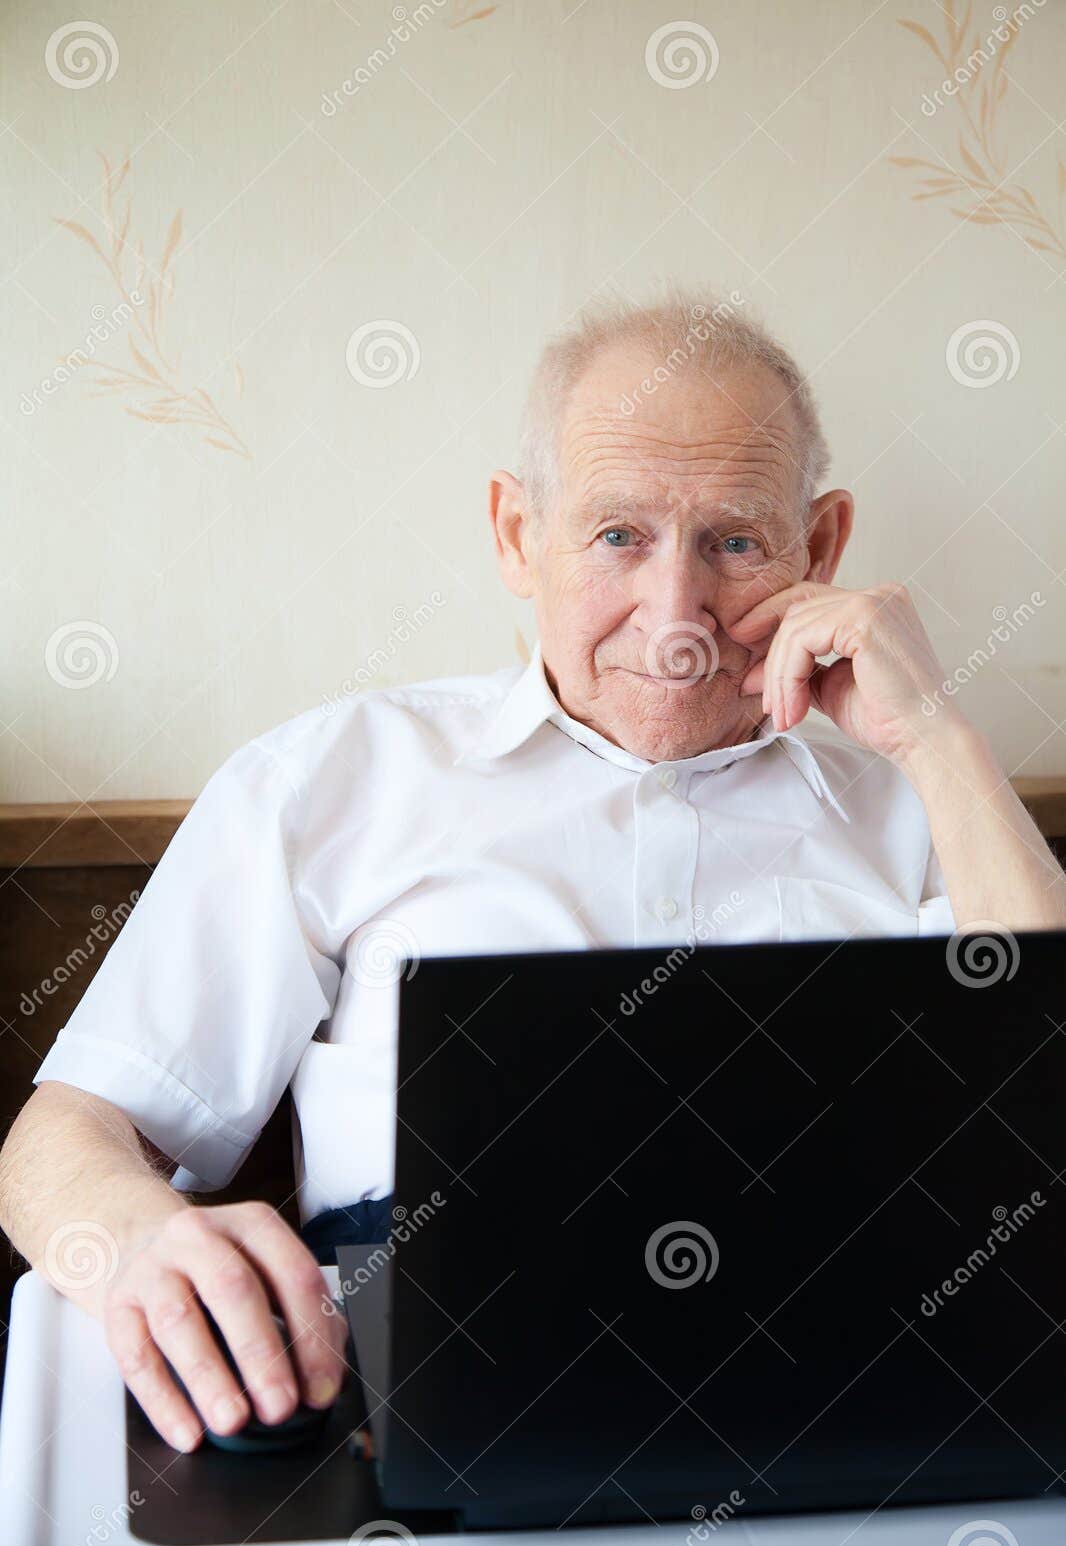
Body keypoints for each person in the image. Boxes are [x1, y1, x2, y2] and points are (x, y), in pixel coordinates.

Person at [3, 290, 1063, 1453]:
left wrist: (941, 743)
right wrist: (138, 1238)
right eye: (618, 535)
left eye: (735, 540)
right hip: (434, 1405)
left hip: (856, 1393)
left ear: (821, 549)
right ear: (517, 534)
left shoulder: (920, 808)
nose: (675, 617)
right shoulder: (330, 780)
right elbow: (68, 1138)